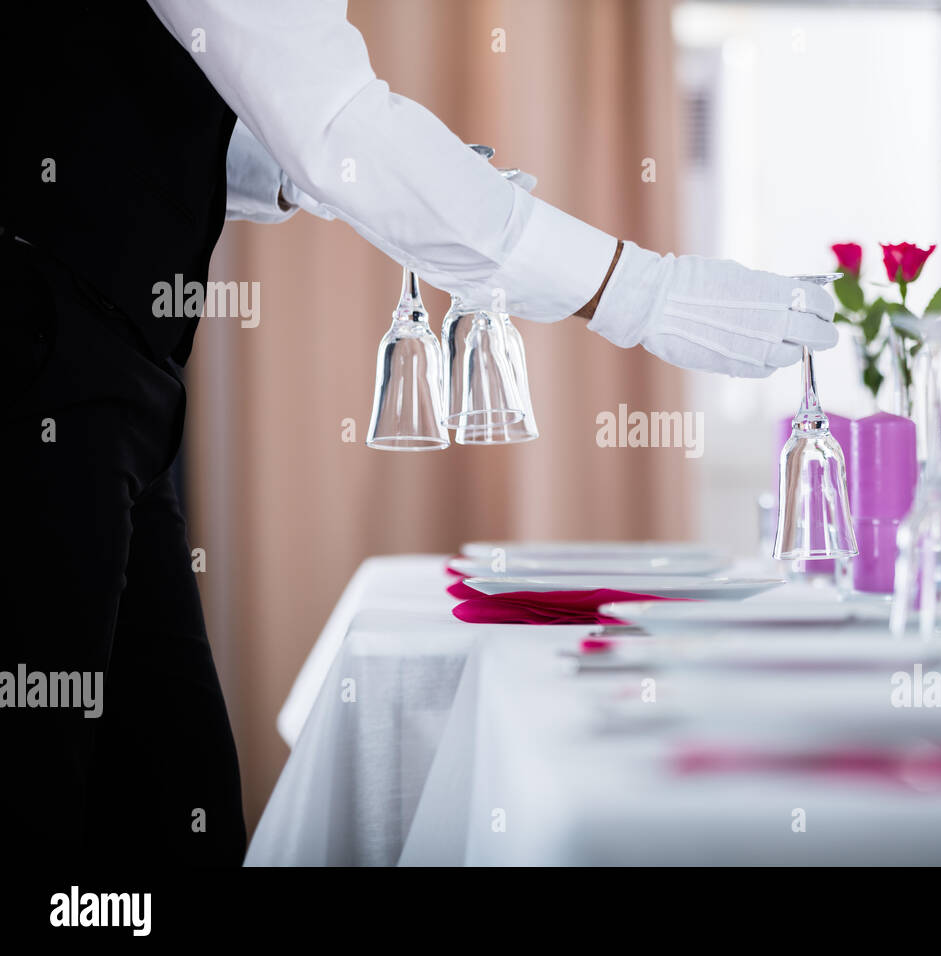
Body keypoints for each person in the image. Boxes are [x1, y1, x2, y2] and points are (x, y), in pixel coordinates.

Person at [0, 0, 836, 866]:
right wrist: (642, 293)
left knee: (173, 802)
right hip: (40, 359)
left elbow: (222, 116)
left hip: (117, 382)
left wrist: (345, 174)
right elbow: (333, 119)